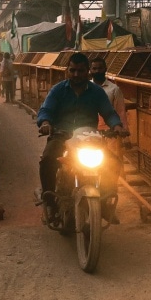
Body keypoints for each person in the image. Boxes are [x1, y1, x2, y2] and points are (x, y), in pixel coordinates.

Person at [35, 52, 128, 207]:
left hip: (89, 138)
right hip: (61, 136)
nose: (76, 74)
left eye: (80, 71)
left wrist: (117, 126)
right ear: (67, 71)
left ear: (87, 72)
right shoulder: (58, 90)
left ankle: (105, 200)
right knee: (47, 160)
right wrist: (45, 123)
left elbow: (109, 113)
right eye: (72, 70)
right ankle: (49, 199)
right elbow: (46, 110)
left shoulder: (97, 92)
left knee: (113, 162)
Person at [89, 56, 125, 129]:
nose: (97, 71)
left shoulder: (114, 89)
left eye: (100, 68)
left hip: (110, 132)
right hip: (90, 133)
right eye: (94, 68)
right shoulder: (85, 88)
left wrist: (122, 130)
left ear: (105, 69)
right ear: (90, 70)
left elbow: (121, 112)